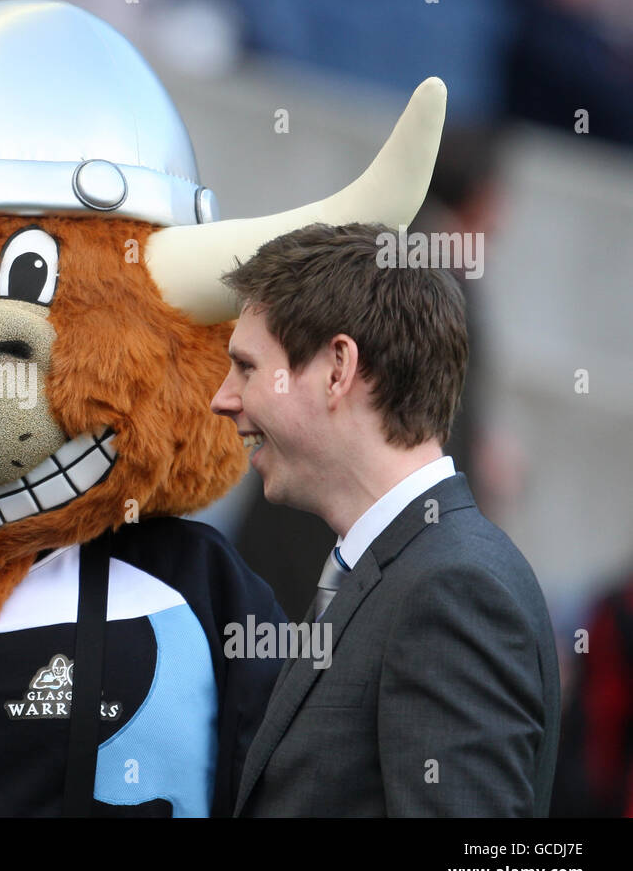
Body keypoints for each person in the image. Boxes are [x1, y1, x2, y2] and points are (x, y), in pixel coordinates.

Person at [210, 222, 560, 817]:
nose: (222, 398)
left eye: (245, 367)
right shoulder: (398, 569)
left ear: (338, 369)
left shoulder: (453, 591)